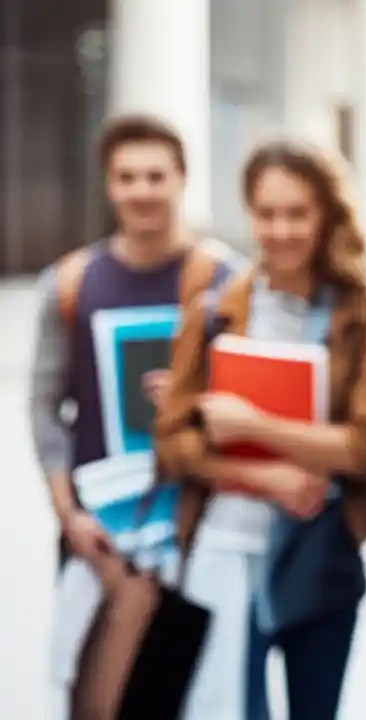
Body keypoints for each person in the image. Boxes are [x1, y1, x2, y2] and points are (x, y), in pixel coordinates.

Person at [154, 140, 366, 719]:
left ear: (325, 216)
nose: (281, 230)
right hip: (224, 551)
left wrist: (257, 424)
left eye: (297, 213)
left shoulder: (359, 317)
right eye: (266, 213)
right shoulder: (214, 312)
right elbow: (173, 443)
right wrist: (265, 476)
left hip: (320, 559)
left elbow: (364, 448)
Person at [28, 113, 241, 710]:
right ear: (109, 183)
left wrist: (191, 401)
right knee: (93, 695)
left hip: (196, 531)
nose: (142, 190)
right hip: (96, 535)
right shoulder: (70, 283)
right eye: (127, 177)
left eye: (155, 175)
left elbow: (249, 404)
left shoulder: (225, 281)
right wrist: (69, 515)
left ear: (181, 179)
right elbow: (45, 412)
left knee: (184, 698)